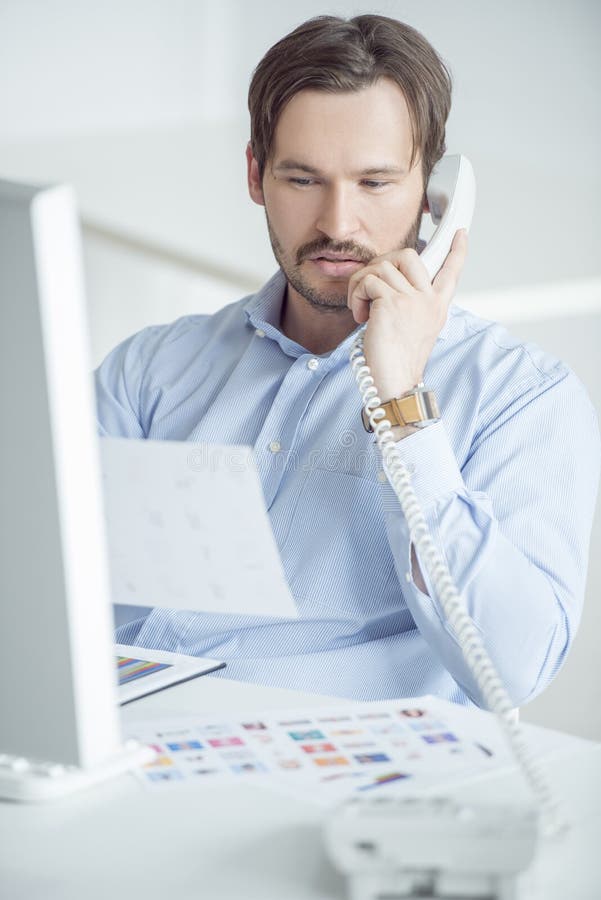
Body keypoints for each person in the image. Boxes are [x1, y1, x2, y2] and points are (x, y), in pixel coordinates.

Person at [96, 14, 599, 709]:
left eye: (374, 183)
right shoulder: (149, 370)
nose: (337, 223)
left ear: (435, 195)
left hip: (330, 783)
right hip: (114, 746)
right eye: (302, 179)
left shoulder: (524, 397)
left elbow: (510, 671)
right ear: (255, 174)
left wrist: (402, 406)